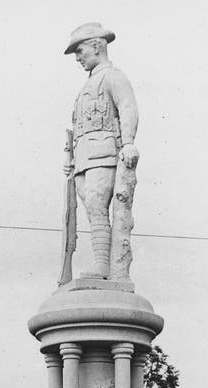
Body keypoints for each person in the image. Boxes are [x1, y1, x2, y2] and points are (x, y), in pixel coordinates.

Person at [64, 23, 139, 279]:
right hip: (85, 159)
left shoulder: (113, 76)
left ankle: (102, 265)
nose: (77, 57)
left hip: (103, 155)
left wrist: (128, 142)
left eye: (80, 50)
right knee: (92, 212)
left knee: (97, 207)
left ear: (97, 46)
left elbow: (127, 107)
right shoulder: (89, 83)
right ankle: (101, 264)